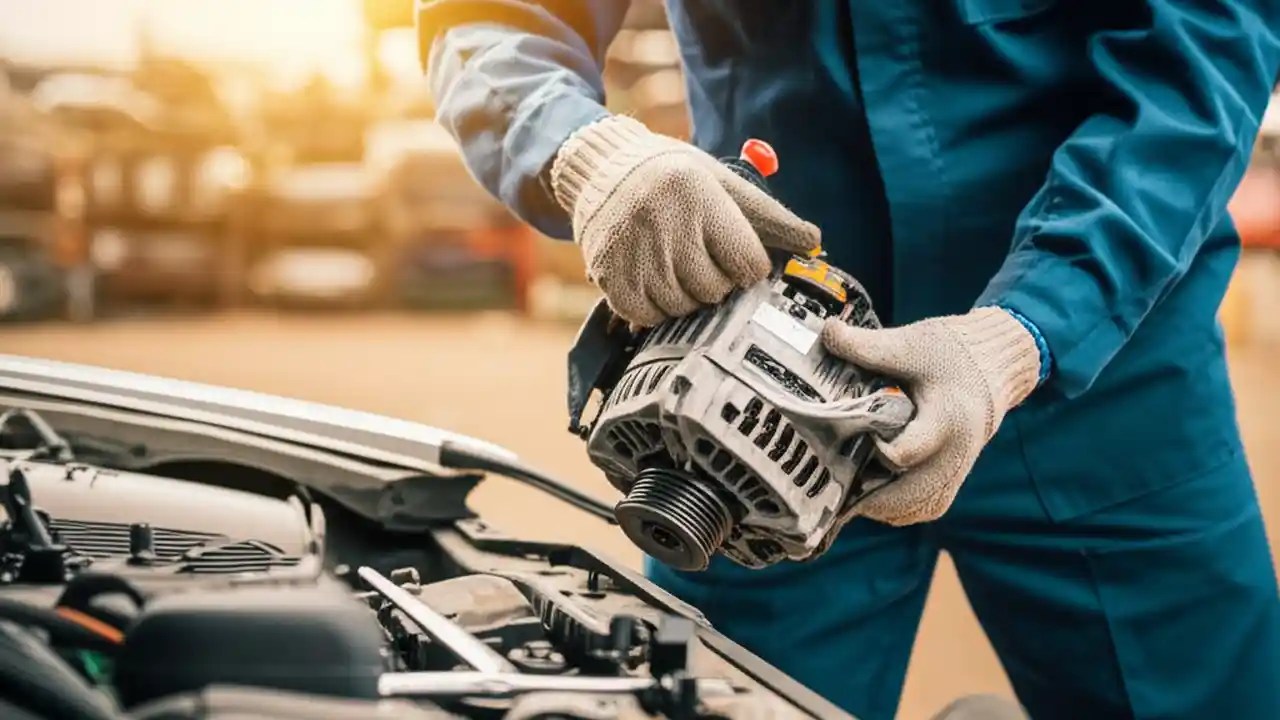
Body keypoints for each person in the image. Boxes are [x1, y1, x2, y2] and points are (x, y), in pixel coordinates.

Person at [420, 2, 1280, 718]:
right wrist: (585, 152)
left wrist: (1023, 335)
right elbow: (488, 17)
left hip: (1102, 379)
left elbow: (1203, 59)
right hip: (750, 411)